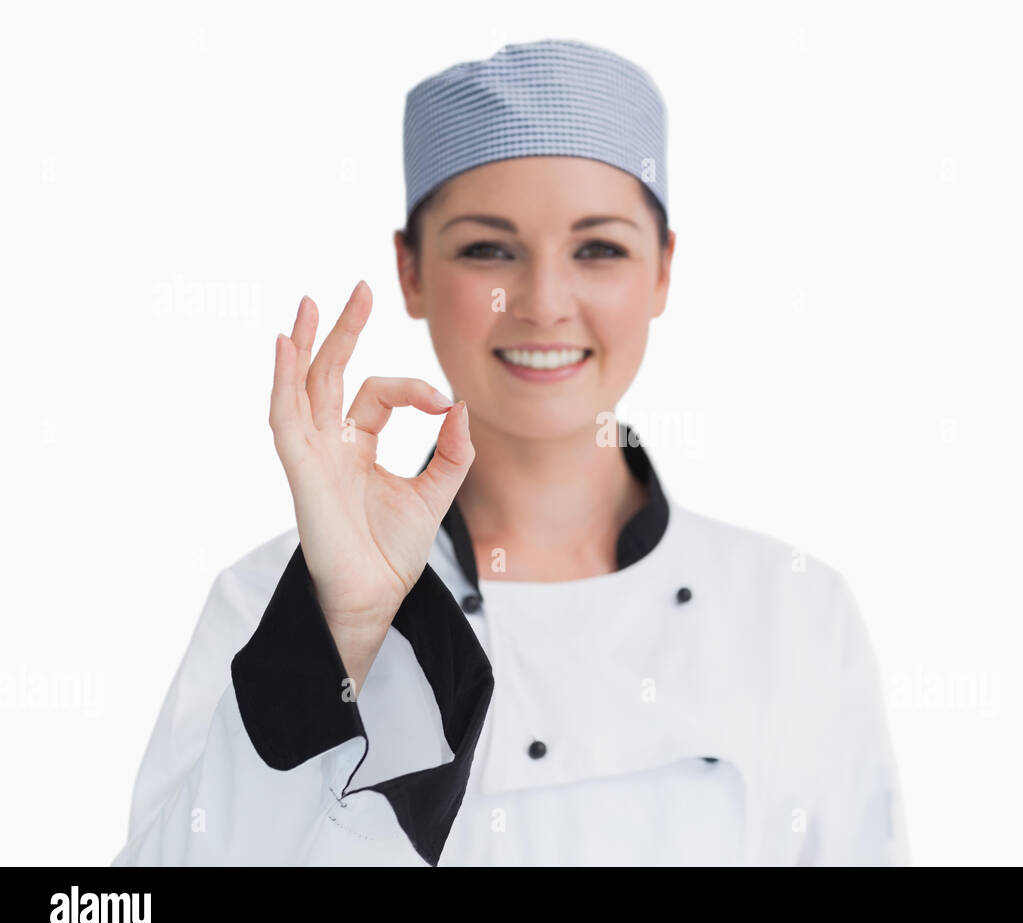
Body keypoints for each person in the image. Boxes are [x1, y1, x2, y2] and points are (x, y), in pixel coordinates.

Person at [111, 37, 910, 866]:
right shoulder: (273, 603)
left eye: (598, 248)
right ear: (410, 270)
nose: (543, 302)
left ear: (663, 270)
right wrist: (337, 629)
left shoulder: (794, 614)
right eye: (488, 250)